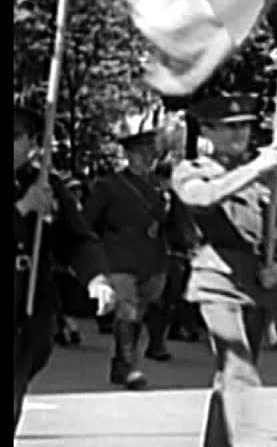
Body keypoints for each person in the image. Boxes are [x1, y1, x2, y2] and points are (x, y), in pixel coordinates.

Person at [170, 94, 277, 447]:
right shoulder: (192, 171)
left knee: (231, 378)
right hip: (217, 279)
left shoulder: (271, 177)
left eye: (245, 127)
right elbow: (204, 198)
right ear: (208, 132)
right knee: (238, 369)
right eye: (229, 128)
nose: (239, 135)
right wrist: (256, 170)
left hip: (261, 283)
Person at [13, 105, 116, 434]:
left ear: (32, 142)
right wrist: (22, 208)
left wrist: (96, 277)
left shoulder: (45, 184)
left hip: (29, 306)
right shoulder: (31, 193)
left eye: (14, 137)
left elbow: (77, 238)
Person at [82, 115, 196, 389]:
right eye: (141, 153)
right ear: (129, 155)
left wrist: (188, 244)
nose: (147, 158)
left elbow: (176, 222)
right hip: (118, 255)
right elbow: (87, 223)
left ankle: (121, 363)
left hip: (153, 257)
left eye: (150, 152)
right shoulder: (108, 186)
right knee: (127, 310)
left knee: (141, 310)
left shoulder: (161, 188)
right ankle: (131, 367)